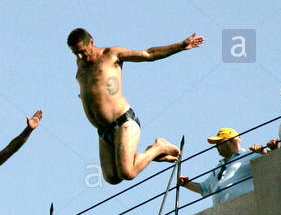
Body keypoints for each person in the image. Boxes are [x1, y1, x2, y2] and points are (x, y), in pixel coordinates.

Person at [68, 27, 203, 183]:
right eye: (75, 53)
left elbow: (148, 54)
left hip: (122, 122)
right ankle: (145, 156)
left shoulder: (111, 54)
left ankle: (158, 147)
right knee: (112, 178)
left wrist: (180, 46)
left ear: (91, 42)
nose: (79, 56)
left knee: (128, 173)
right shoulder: (80, 64)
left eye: (82, 51)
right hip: (103, 130)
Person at [179, 128, 255, 206]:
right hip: (222, 211)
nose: (216, 146)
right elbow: (204, 188)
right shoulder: (219, 167)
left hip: (245, 205)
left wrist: (262, 151)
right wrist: (185, 183)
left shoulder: (250, 154)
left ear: (232, 141)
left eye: (219, 142)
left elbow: (264, 162)